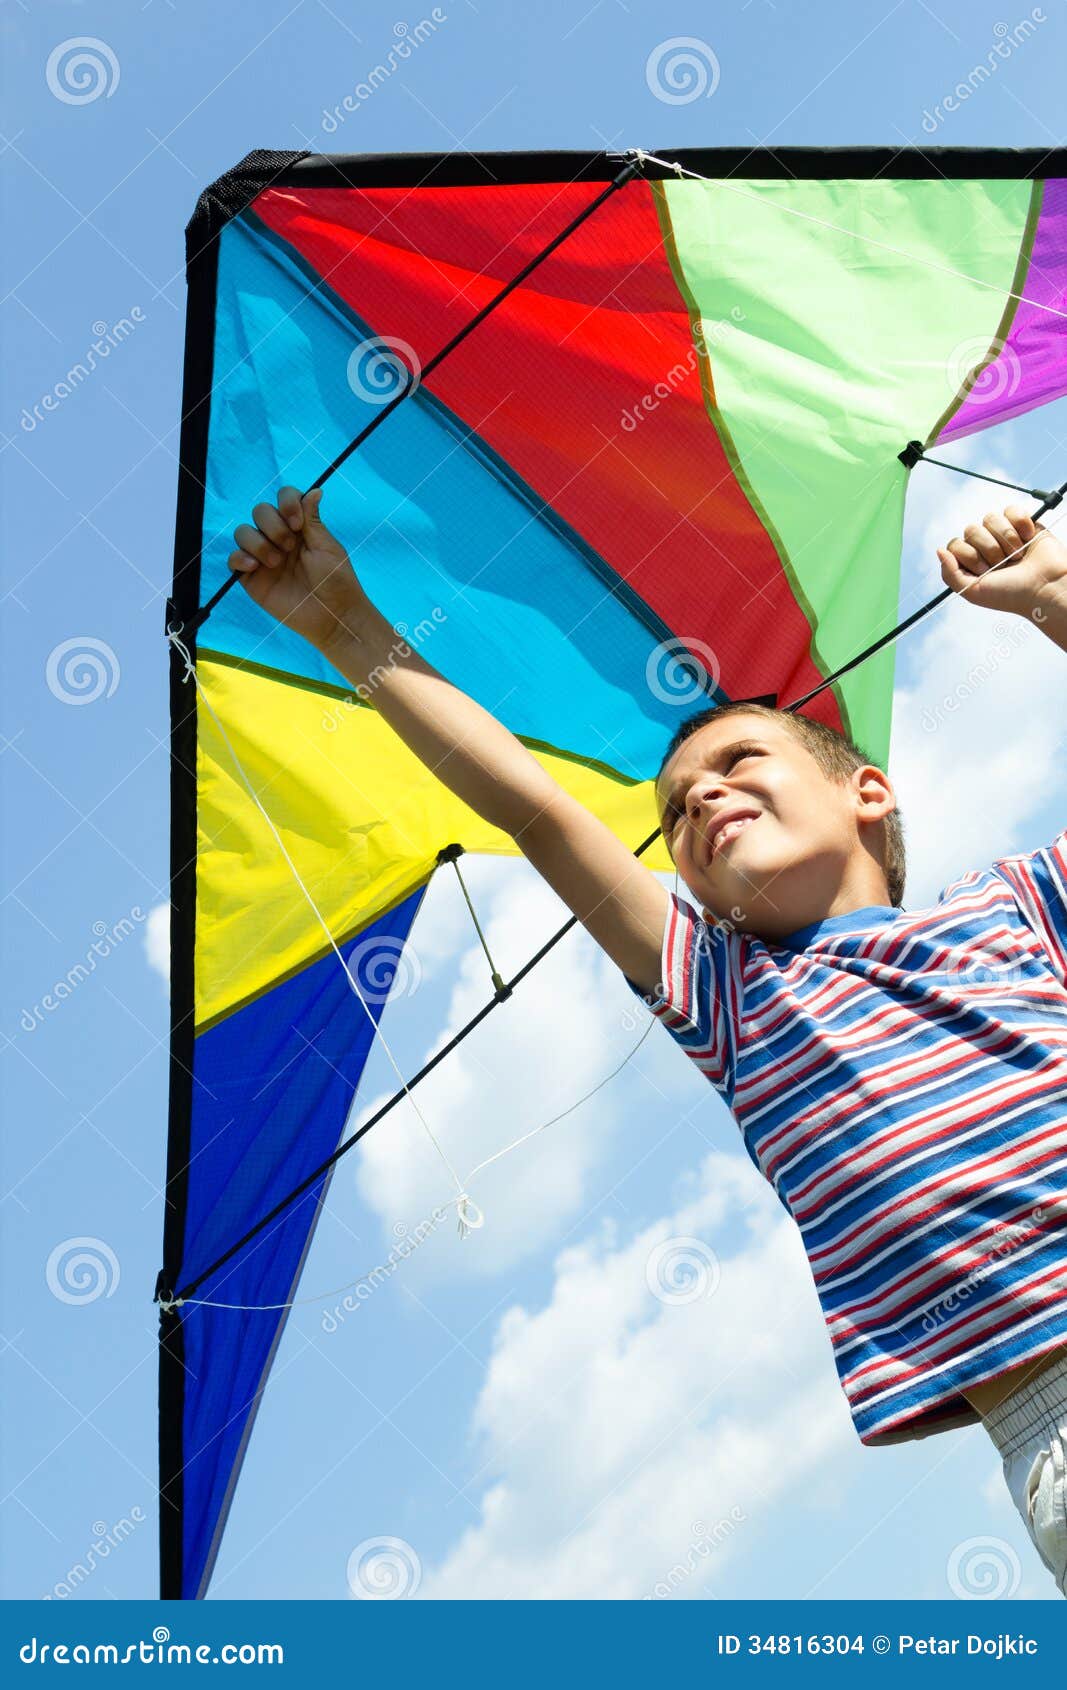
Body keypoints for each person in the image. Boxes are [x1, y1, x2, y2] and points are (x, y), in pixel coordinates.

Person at [229, 491, 1067, 1595]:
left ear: (866, 789)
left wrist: (1051, 595)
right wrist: (345, 626)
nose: (704, 797)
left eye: (738, 762)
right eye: (676, 811)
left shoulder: (1019, 904)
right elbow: (533, 808)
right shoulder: (727, 996)